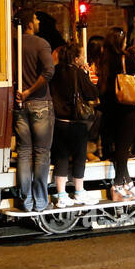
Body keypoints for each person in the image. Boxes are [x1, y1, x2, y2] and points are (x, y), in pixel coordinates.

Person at [96, 31, 135, 201]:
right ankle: (118, 186)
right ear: (119, 43)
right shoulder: (125, 58)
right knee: (124, 150)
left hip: (110, 111)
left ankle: (128, 183)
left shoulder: (102, 61)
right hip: (126, 109)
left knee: (119, 149)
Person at [49, 42, 99, 207]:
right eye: (82, 55)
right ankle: (78, 192)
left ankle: (62, 194)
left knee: (61, 157)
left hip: (59, 122)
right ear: (76, 58)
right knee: (79, 157)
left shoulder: (55, 72)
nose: (84, 57)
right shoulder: (79, 73)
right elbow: (92, 93)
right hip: (76, 122)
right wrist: (86, 74)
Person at [14, 10, 55, 212]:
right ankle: (40, 200)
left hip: (19, 105)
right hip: (39, 103)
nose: (38, 20)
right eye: (36, 18)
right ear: (30, 23)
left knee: (23, 152)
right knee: (41, 153)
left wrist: (21, 93)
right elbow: (49, 71)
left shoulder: (11, 44)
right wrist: (29, 91)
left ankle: (26, 200)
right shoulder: (41, 43)